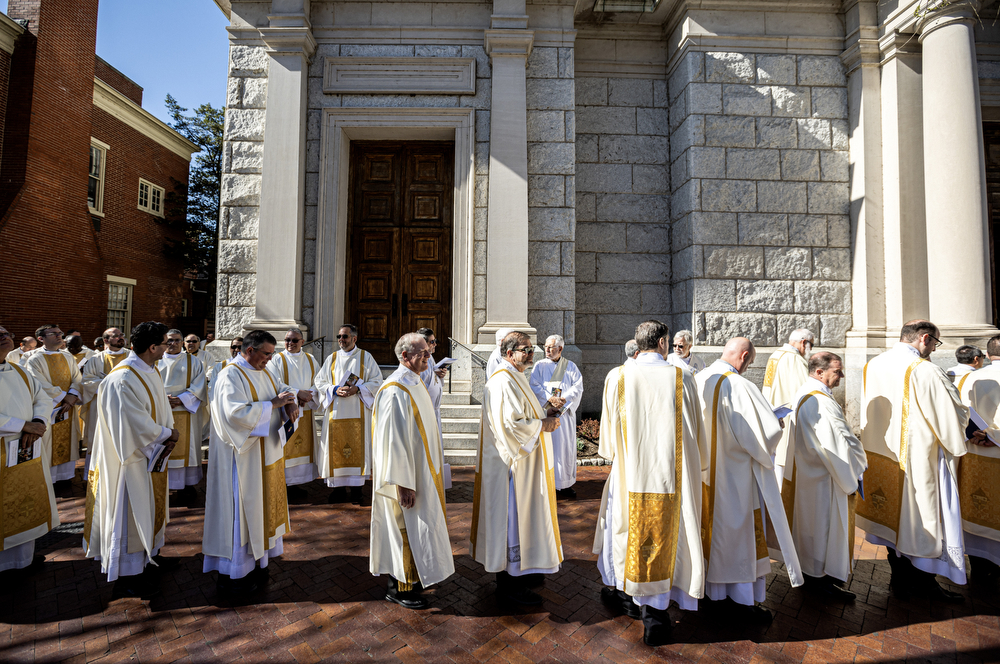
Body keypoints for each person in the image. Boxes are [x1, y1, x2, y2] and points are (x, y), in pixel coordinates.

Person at [594, 320, 706, 647]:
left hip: (630, 476)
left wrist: (617, 453)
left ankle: (632, 598)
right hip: (672, 477)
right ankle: (657, 615)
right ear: (662, 343)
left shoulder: (618, 377)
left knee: (626, 532)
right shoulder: (682, 377)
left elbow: (608, 440)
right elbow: (695, 430)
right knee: (672, 538)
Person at [856, 319, 968, 602]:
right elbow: (952, 415)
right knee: (920, 519)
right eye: (935, 343)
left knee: (894, 519)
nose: (933, 349)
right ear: (925, 339)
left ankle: (900, 578)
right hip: (919, 459)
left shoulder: (874, 364)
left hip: (883, 455)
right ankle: (922, 585)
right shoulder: (926, 370)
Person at [696, 337, 803, 623]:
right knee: (740, 537)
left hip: (705, 477)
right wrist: (776, 423)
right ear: (743, 357)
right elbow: (765, 436)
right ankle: (742, 602)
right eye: (751, 362)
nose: (748, 367)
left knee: (710, 532)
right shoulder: (741, 386)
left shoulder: (699, 378)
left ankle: (712, 593)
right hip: (736, 479)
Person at [83, 321, 180, 598]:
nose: (169, 347)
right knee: (128, 514)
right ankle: (128, 575)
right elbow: (133, 425)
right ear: (152, 347)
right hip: (128, 461)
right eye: (165, 343)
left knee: (151, 507)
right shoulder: (122, 378)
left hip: (151, 456)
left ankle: (151, 556)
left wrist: (167, 434)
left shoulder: (149, 369)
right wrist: (168, 433)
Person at [203, 329, 301, 596]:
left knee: (261, 509)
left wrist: (289, 402)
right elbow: (234, 415)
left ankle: (259, 561)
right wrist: (273, 403)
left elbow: (282, 389)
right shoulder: (230, 375)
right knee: (240, 513)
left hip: (265, 455)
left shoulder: (265, 370)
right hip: (241, 460)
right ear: (249, 351)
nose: (270, 359)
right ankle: (235, 574)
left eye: (271, 354)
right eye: (267, 354)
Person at [470, 331, 563, 606]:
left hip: (521, 466)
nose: (531, 353)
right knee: (510, 524)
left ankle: (521, 571)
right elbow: (511, 426)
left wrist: (545, 410)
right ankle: (509, 584)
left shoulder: (514, 376)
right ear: (509, 354)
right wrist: (542, 425)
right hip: (510, 469)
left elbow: (523, 414)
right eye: (525, 349)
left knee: (519, 523)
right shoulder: (502, 381)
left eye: (532, 348)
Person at [370, 333, 454, 609]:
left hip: (423, 471)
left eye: (428, 352)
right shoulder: (395, 389)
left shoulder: (415, 382)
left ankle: (416, 579)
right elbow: (392, 441)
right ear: (404, 356)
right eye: (422, 353)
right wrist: (402, 483)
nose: (429, 356)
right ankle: (399, 588)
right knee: (403, 529)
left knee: (420, 528)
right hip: (406, 477)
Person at [780, 352, 867, 600]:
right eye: (837, 371)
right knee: (823, 530)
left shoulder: (804, 392)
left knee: (811, 528)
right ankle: (820, 581)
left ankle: (812, 576)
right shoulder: (822, 401)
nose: (840, 377)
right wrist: (858, 467)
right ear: (819, 372)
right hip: (824, 478)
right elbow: (839, 443)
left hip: (809, 473)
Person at [0, 324, 58, 575]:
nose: (5, 337)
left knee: (25, 501)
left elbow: (42, 397)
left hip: (26, 447)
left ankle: (22, 561)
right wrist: (22, 425)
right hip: (4, 448)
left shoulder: (20, 371)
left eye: (5, 333)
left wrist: (39, 422)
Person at [315, 324, 382, 504]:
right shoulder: (332, 358)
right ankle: (337, 489)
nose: (341, 340)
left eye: (345, 336)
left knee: (359, 447)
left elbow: (377, 381)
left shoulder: (365, 357)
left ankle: (357, 489)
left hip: (358, 410)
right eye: (339, 336)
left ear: (354, 338)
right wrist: (334, 389)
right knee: (335, 447)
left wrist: (358, 389)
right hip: (336, 412)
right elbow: (320, 382)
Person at [953, 334, 1000, 584]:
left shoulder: (970, 377)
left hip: (973, 452)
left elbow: (961, 412)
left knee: (977, 509)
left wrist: (973, 434)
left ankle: (980, 568)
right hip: (997, 453)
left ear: (988, 355)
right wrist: (994, 435)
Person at [266, 327, 322, 497]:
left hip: (306, 409)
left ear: (302, 342)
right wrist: (298, 393)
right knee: (286, 445)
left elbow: (319, 381)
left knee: (302, 446)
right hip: (285, 411)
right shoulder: (277, 359)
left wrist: (309, 394)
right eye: (287, 340)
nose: (290, 343)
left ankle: (296, 483)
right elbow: (274, 383)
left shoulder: (311, 359)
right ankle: (284, 483)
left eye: (294, 340)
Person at [25, 325, 83, 484]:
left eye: (60, 334)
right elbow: (38, 382)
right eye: (54, 334)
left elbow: (77, 378)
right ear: (41, 339)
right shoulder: (35, 359)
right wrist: (64, 396)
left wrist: (73, 394)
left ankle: (65, 476)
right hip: (50, 408)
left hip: (68, 408)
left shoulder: (68, 357)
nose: (59, 336)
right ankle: (49, 479)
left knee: (68, 441)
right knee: (49, 442)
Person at [530, 334, 584, 499]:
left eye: (550, 347)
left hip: (564, 415)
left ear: (560, 348)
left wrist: (564, 399)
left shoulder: (571, 366)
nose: (546, 349)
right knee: (548, 449)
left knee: (564, 449)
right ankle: (546, 484)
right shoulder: (539, 366)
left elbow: (578, 387)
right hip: (546, 413)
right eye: (545, 346)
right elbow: (534, 385)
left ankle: (564, 485)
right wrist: (550, 399)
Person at [156, 329, 207, 496]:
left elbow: (200, 386)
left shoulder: (194, 362)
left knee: (188, 446)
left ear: (183, 342)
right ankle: (160, 479)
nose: (173, 343)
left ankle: (187, 482)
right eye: (169, 340)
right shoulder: (155, 361)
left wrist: (181, 400)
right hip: (160, 411)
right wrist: (163, 400)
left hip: (186, 410)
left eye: (177, 340)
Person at [763, 328, 814, 484]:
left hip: (773, 413)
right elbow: (807, 392)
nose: (810, 350)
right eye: (811, 345)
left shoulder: (776, 355)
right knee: (785, 464)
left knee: (777, 460)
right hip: (788, 416)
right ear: (804, 342)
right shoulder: (795, 360)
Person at [79, 328, 129, 473]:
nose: (121, 338)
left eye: (122, 335)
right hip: (101, 405)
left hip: (126, 404)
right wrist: (110, 383)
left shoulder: (132, 356)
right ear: (106, 340)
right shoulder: (95, 359)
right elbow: (87, 381)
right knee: (100, 437)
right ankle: (97, 472)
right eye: (116, 336)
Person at [417, 327, 452, 490]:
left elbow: (432, 380)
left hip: (433, 411)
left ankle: (435, 479)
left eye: (435, 341)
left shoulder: (430, 358)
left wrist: (439, 374)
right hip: (425, 411)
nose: (435, 345)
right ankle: (427, 480)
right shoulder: (419, 360)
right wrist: (433, 373)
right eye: (432, 342)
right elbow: (418, 384)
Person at [208, 336, 243, 402]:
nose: (237, 350)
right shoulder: (221, 366)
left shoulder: (250, 366)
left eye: (240, 347)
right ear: (230, 348)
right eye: (234, 347)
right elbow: (212, 387)